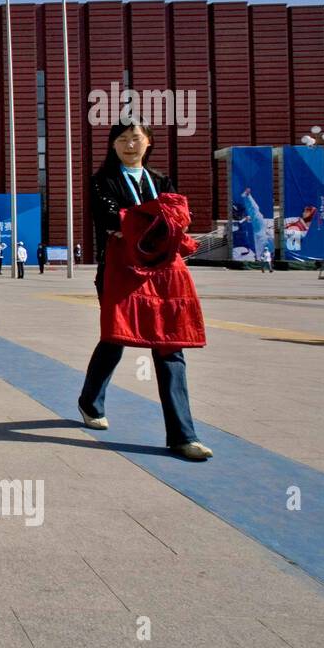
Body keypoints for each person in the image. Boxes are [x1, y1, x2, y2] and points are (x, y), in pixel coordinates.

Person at [77, 117, 212, 461]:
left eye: (135, 138)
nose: (129, 144)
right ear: (113, 144)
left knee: (170, 348)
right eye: (122, 138)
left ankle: (184, 436)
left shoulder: (160, 180)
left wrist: (138, 221)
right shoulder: (102, 181)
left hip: (164, 274)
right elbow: (111, 220)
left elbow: (177, 219)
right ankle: (90, 401)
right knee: (116, 338)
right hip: (120, 273)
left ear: (149, 142)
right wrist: (152, 222)